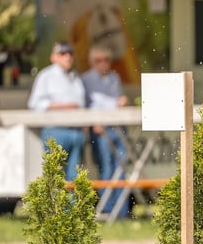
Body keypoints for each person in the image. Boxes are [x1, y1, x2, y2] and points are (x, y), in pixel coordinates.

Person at [81, 45, 130, 217]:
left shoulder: (114, 77)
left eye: (106, 60)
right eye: (98, 60)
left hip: (117, 127)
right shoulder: (86, 79)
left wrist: (122, 102)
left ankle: (122, 212)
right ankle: (108, 210)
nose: (103, 63)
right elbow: (85, 106)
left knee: (121, 169)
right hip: (101, 129)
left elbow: (117, 101)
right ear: (91, 62)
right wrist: (93, 121)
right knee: (106, 169)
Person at [27, 41, 87, 181]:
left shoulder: (75, 77)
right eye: (63, 53)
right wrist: (62, 106)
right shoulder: (46, 76)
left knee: (75, 178)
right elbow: (34, 104)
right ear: (54, 57)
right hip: (56, 131)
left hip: (76, 131)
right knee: (54, 177)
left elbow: (81, 104)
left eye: (70, 53)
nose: (68, 56)